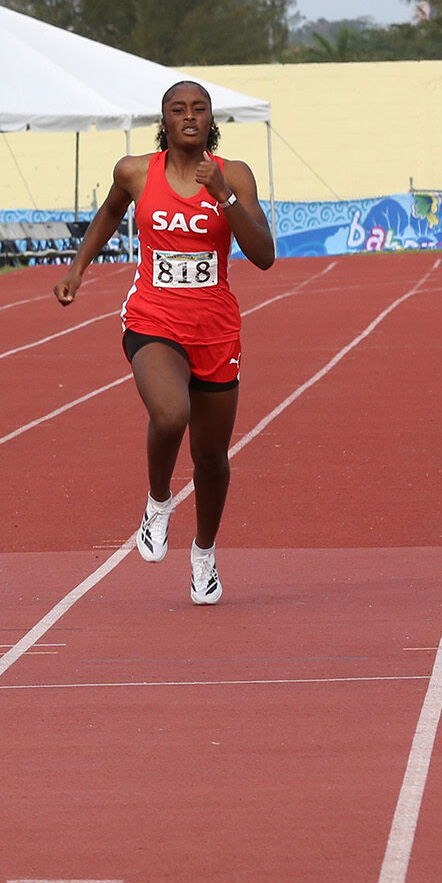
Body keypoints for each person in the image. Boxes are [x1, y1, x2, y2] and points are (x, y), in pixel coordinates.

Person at [52, 80, 275, 605]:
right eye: (179, 110)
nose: (190, 117)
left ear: (211, 119)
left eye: (199, 109)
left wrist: (224, 197)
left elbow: (263, 254)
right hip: (152, 316)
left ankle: (204, 554)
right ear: (165, 120)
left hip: (216, 327)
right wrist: (78, 271)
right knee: (171, 414)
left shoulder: (234, 174)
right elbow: (109, 213)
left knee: (212, 456)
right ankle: (157, 501)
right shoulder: (134, 172)